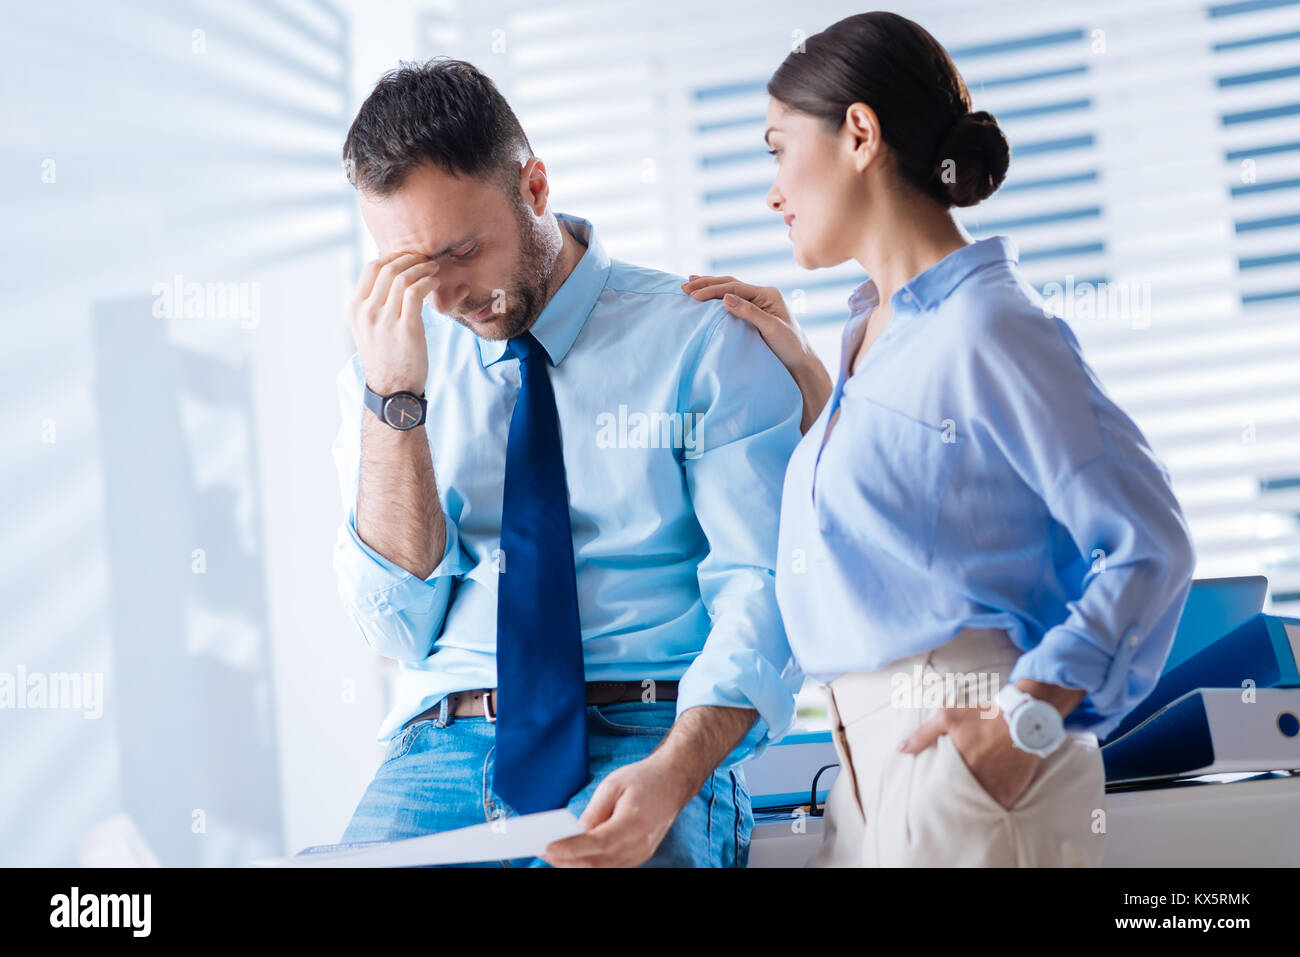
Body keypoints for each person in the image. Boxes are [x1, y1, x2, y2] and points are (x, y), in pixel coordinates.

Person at [683, 11, 1197, 866]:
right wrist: (814, 382)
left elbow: (1151, 547)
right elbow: (896, 514)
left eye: (777, 149)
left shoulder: (990, 324)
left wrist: (1021, 721)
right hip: (863, 783)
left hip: (965, 758)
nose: (771, 189)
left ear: (859, 133)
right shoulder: (871, 339)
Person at [329, 59, 803, 867]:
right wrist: (393, 402)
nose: (444, 297)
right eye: (413, 269)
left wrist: (674, 774)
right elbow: (399, 629)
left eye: (463, 251)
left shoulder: (705, 343)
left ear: (536, 188)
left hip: (649, 738)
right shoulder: (393, 369)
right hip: (439, 747)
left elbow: (766, 590)